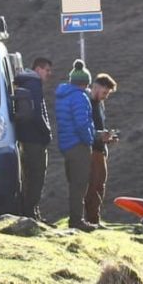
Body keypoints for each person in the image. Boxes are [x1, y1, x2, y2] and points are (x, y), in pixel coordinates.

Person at [55, 59, 97, 232]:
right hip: (78, 145)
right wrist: (89, 139)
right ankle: (77, 220)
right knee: (79, 184)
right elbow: (81, 124)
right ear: (85, 82)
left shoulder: (62, 96)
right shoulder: (79, 97)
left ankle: (76, 218)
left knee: (74, 183)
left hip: (66, 144)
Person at [14, 57, 53, 221]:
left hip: (25, 138)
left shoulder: (24, 83)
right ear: (38, 69)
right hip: (35, 139)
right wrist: (47, 132)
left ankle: (31, 212)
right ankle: (31, 213)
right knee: (37, 177)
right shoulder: (34, 85)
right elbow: (37, 113)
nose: (49, 74)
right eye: (47, 70)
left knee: (28, 176)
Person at [85, 73, 118, 227]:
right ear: (96, 87)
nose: (105, 96)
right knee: (94, 185)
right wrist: (100, 136)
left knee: (99, 184)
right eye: (104, 92)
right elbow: (85, 128)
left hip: (100, 149)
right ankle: (92, 219)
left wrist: (108, 137)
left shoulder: (99, 104)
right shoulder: (86, 103)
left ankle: (94, 217)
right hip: (92, 150)